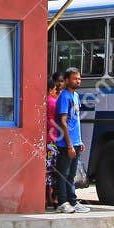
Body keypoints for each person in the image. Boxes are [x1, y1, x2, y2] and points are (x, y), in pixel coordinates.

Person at [54, 68, 88, 213]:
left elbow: (75, 121)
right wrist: (69, 145)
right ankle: (62, 202)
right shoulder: (64, 97)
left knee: (71, 174)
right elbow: (63, 122)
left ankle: (72, 201)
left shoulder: (75, 96)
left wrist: (79, 141)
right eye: (75, 79)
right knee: (63, 173)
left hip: (75, 143)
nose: (78, 81)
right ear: (67, 80)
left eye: (79, 78)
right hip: (65, 144)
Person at [44, 74, 64, 211]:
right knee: (53, 170)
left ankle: (48, 198)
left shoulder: (45, 101)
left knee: (47, 170)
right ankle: (53, 198)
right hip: (53, 139)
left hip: (47, 139)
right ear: (52, 88)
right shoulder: (53, 102)